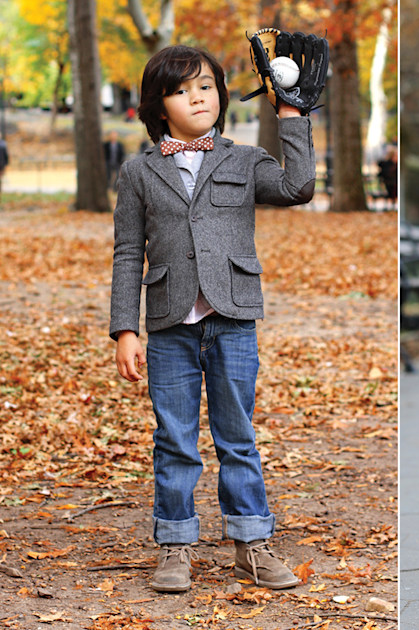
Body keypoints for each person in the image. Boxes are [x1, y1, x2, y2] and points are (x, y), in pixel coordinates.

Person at [110, 42, 320, 594]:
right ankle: (174, 546)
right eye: (180, 90)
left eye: (205, 86)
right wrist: (125, 328)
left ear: (223, 94)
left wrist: (292, 115)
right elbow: (129, 252)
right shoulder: (138, 173)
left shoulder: (244, 160)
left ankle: (251, 545)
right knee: (174, 439)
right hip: (169, 325)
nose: (196, 96)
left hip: (233, 319)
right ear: (158, 107)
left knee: (237, 436)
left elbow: (299, 188)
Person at [377, 145, 398, 210]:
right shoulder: (388, 164)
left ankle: (393, 203)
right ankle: (393, 202)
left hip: (391, 184)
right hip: (390, 184)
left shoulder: (394, 164)